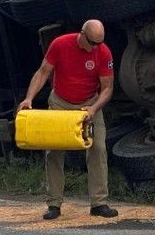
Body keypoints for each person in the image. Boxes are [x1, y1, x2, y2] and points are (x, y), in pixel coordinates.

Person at [18, 19, 118, 220]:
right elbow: (43, 72)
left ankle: (99, 203)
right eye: (92, 43)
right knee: (54, 151)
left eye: (99, 43)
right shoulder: (60, 44)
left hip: (89, 103)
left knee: (98, 148)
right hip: (61, 102)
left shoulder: (103, 52)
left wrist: (94, 108)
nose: (95, 48)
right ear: (82, 35)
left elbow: (107, 88)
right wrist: (29, 98)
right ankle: (54, 203)